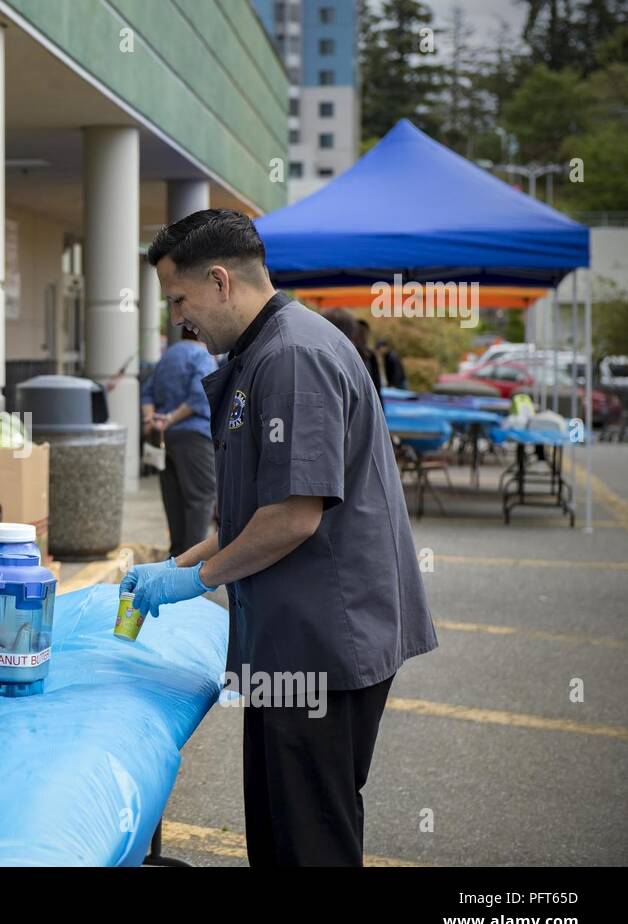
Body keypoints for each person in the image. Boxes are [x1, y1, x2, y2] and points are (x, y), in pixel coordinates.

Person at [124, 209, 437, 866]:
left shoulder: (294, 355)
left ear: (219, 282)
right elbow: (244, 516)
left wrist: (196, 580)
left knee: (308, 838)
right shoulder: (261, 352)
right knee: (276, 825)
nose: (179, 319)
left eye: (180, 299)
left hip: (321, 648)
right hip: (287, 643)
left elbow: (294, 517)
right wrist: (175, 563)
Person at [141, 327, 219, 556]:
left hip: (165, 439)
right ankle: (191, 561)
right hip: (195, 436)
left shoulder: (168, 356)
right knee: (201, 498)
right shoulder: (202, 355)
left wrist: (152, 420)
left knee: (173, 497)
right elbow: (200, 395)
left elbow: (147, 393)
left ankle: (176, 557)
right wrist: (170, 419)